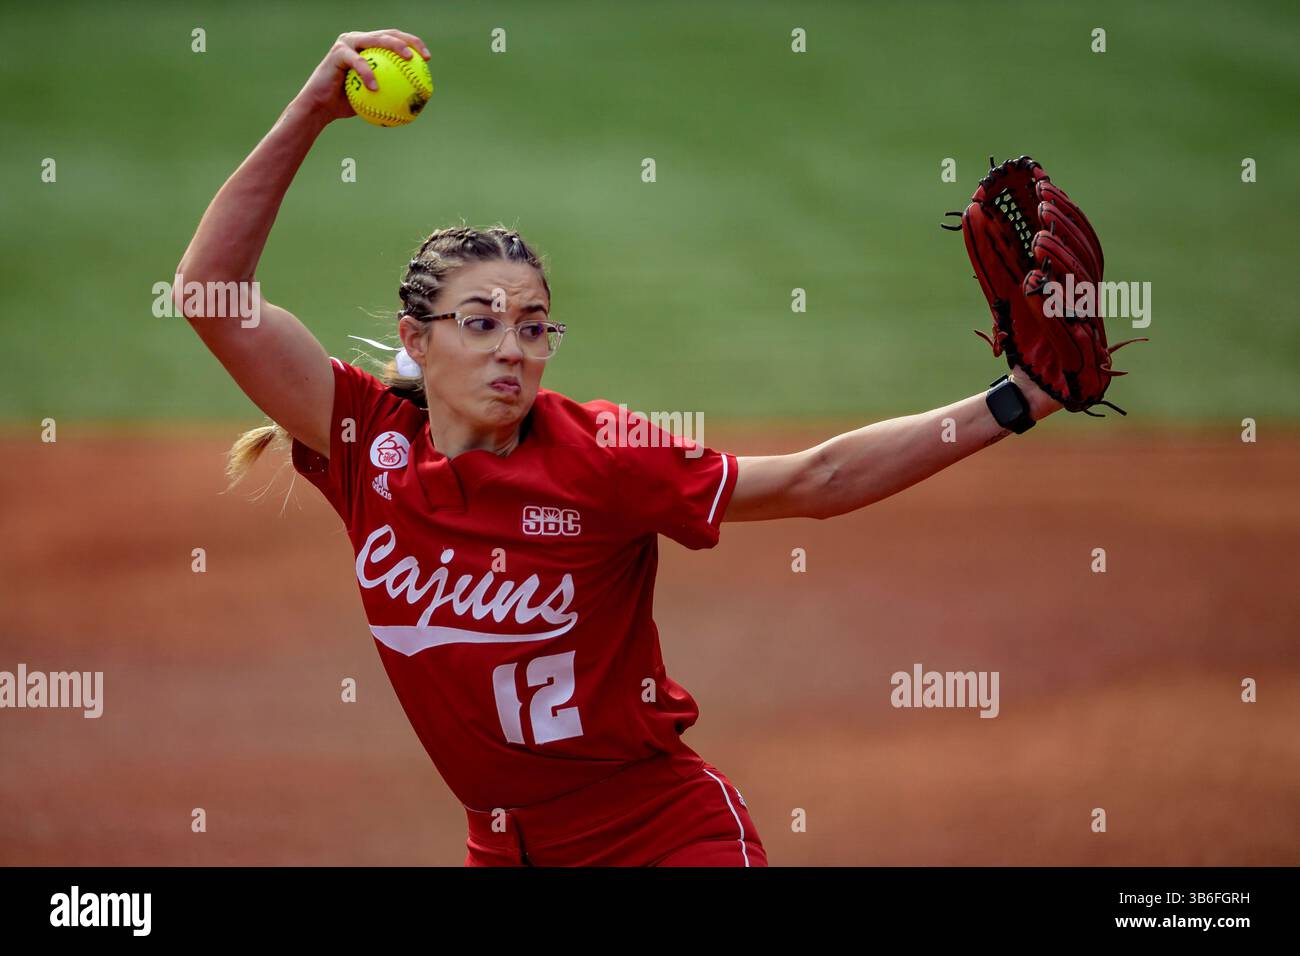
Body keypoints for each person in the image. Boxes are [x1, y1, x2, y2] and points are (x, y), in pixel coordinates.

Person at [175, 29, 1062, 867]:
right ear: (419, 338)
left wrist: (1018, 398)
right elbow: (210, 294)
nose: (511, 348)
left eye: (532, 326)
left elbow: (817, 478)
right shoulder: (366, 440)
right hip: (502, 849)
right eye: (480, 324)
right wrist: (311, 113)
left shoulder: (601, 453)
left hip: (660, 837)